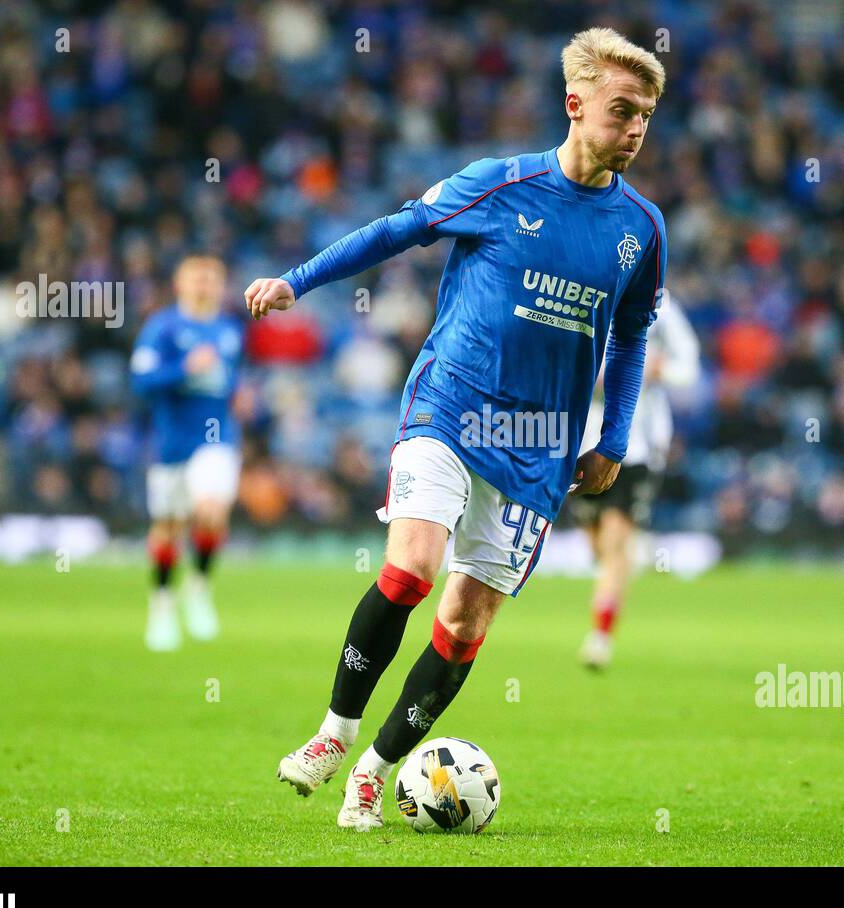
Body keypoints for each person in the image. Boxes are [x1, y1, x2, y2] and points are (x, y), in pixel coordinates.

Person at [246, 27, 668, 829]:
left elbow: (635, 332)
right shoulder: (498, 185)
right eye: (623, 110)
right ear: (576, 106)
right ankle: (335, 733)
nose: (636, 127)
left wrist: (612, 438)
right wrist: (297, 282)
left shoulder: (641, 228)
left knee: (464, 623)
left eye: (646, 113)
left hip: (542, 451)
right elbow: (396, 230)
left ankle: (373, 773)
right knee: (410, 569)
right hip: (451, 408)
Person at [573, 293, 699, 669]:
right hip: (583, 439)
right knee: (596, 546)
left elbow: (688, 366)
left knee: (613, 545)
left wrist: (655, 370)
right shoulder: (587, 291)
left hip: (637, 445)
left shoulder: (662, 307)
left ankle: (600, 638)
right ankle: (627, 559)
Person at [130, 254, 244, 651]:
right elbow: (141, 381)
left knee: (211, 511)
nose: (203, 285)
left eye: (211, 279)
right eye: (196, 278)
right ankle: (162, 605)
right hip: (172, 444)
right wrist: (184, 367)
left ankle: (198, 589)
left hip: (216, 441)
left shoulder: (229, 330)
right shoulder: (162, 327)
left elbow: (230, 385)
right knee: (169, 526)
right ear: (179, 284)